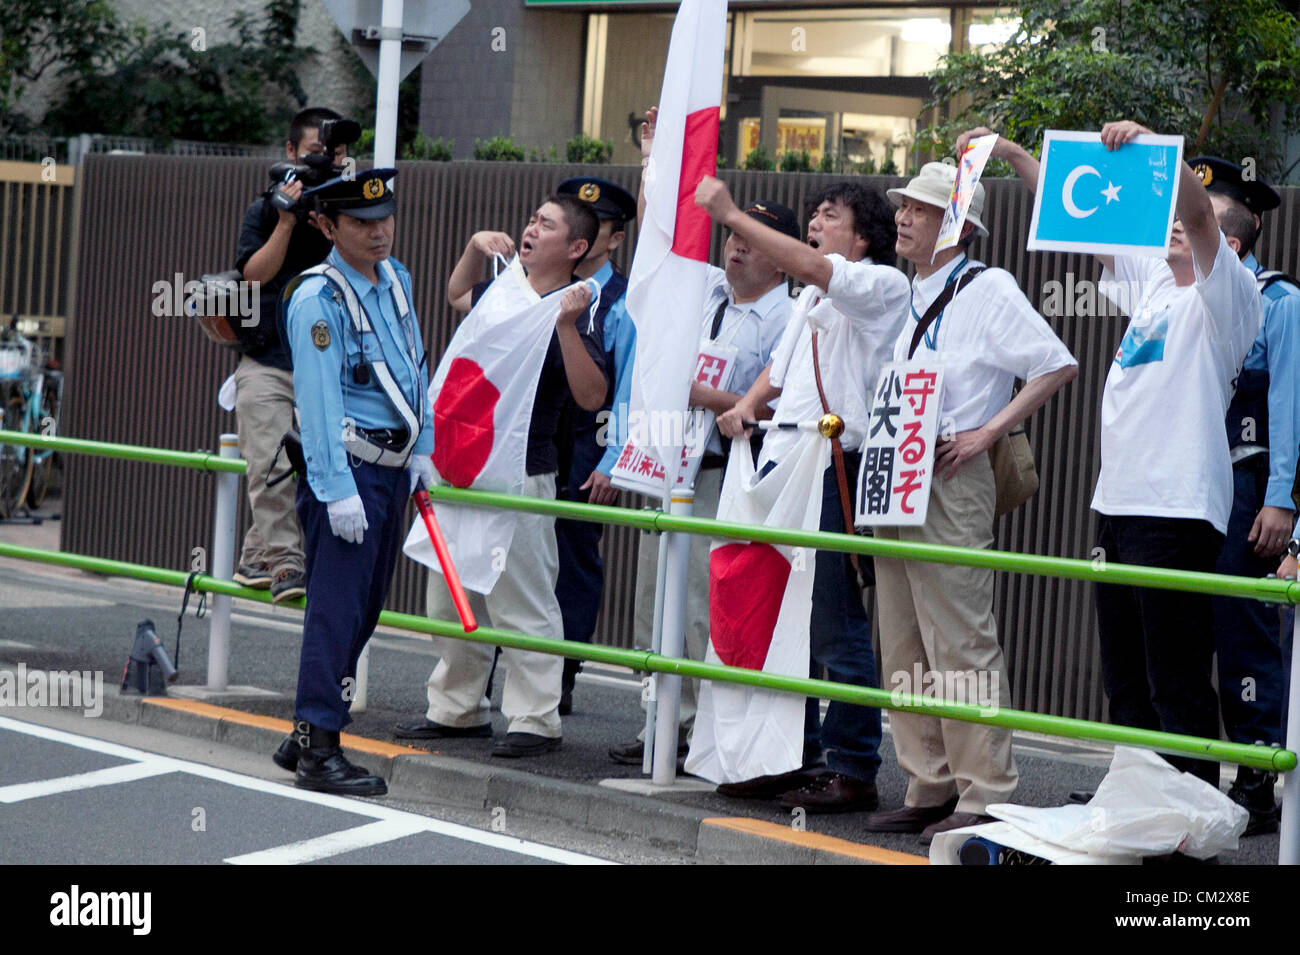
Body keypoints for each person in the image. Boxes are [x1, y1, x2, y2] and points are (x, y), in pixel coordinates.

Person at [981, 123, 1263, 795]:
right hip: (1118, 504)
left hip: (1178, 508)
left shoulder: (1227, 297)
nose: (1168, 228)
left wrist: (1159, 157)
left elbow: (1194, 210)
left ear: (1229, 246)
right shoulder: (1156, 289)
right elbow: (1076, 224)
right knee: (1126, 674)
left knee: (1177, 673)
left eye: (1184, 225)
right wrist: (1016, 154)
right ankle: (1133, 795)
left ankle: (1184, 809)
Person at [844, 160, 1078, 841]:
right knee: (903, 638)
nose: (904, 218)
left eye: (920, 209)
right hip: (898, 464)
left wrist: (988, 431)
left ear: (960, 224)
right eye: (904, 207)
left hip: (948, 469)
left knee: (961, 639)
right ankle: (929, 780)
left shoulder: (988, 286)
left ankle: (985, 788)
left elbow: (1056, 361)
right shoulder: (909, 291)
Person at [705, 176, 913, 813]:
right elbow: (784, 364)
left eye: (830, 215)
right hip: (786, 457)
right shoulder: (810, 298)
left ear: (864, 235)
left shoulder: (881, 282)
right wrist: (746, 403)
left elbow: (811, 265)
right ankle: (791, 757)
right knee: (778, 618)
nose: (816, 222)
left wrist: (732, 214)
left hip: (833, 463)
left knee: (833, 620)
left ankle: (852, 765)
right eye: (815, 213)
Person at [395, 194, 608, 758]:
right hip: (460, 465)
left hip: (522, 469)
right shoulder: (502, 288)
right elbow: (456, 294)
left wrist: (565, 326)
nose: (531, 229)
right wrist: (471, 249)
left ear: (577, 247)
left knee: (523, 602)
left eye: (548, 224)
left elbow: (592, 396)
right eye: (533, 219)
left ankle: (536, 720)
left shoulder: (579, 306)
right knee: (450, 598)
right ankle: (456, 707)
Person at [604, 193, 801, 767]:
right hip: (669, 464)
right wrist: (654, 166)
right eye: (735, 235)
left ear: (783, 258)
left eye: (754, 239)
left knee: (699, 606)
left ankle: (697, 729)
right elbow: (664, 245)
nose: (737, 245)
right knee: (653, 601)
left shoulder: (788, 318)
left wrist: (704, 396)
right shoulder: (709, 291)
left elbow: (783, 409)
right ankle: (658, 719)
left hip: (725, 474)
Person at [271, 168, 433, 795]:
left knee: (365, 609)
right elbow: (316, 402)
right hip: (349, 468)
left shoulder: (396, 279)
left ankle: (307, 728)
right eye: (363, 223)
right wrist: (335, 488)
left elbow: (414, 366)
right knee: (336, 613)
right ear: (327, 226)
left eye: (386, 218)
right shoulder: (318, 298)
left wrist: (423, 448)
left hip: (391, 469)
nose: (380, 231)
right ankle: (318, 746)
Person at [1195, 155, 1300, 835]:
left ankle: (1258, 777)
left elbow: (1291, 403)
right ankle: (1188, 771)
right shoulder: (1185, 293)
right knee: (1187, 628)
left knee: (1246, 631)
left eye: (1214, 216)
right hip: (1191, 484)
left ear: (1245, 227)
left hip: (1248, 482)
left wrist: (1282, 498)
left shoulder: (1279, 299)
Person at [233, 107, 353, 603]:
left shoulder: (349, 211)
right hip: (266, 360)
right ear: (290, 154)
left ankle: (255, 556)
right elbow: (253, 276)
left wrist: (338, 211)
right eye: (313, 157)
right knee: (266, 462)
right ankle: (285, 564)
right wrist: (286, 220)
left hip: (323, 363)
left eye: (334, 156)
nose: (323, 165)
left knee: (301, 464)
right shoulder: (266, 209)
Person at [551, 176, 637, 716]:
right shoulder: (536, 285)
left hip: (587, 449)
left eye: (595, 227)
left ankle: (561, 673)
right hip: (533, 441)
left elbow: (629, 388)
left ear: (613, 240)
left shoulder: (624, 303)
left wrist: (613, 460)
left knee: (573, 559)